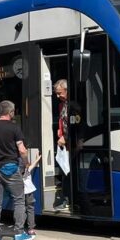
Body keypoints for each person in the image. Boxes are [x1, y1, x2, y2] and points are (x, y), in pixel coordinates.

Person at [0, 100, 32, 240]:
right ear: (10, 112)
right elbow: (22, 150)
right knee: (19, 200)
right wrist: (26, 163)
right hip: (11, 169)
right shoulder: (14, 128)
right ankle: (19, 233)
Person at [53, 80, 70, 211]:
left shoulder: (73, 104)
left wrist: (66, 136)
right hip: (64, 143)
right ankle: (66, 198)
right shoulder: (61, 105)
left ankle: (68, 199)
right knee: (65, 171)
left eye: (59, 93)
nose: (58, 96)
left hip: (70, 142)